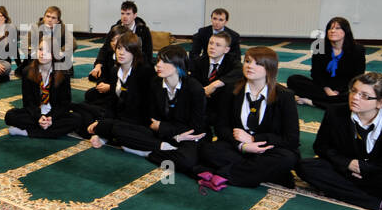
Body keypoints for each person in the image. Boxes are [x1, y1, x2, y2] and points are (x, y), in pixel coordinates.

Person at [297, 72, 382, 210]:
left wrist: (368, 168)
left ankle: (341, 189)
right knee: (305, 166)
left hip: (378, 174)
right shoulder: (335, 112)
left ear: (381, 102)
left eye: (364, 95)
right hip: (345, 169)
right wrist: (347, 163)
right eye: (354, 91)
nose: (355, 97)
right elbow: (321, 147)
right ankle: (378, 202)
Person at [93, 44, 206, 174]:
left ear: (177, 65)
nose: (158, 65)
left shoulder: (194, 88)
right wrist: (161, 128)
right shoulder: (155, 83)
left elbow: (196, 126)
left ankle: (147, 152)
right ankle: (160, 147)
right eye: (158, 61)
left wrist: (165, 129)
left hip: (186, 136)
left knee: (187, 161)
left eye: (164, 62)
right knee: (119, 129)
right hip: (159, 134)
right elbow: (152, 119)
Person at [198, 46, 300, 190]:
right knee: (207, 150)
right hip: (238, 147)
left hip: (268, 149)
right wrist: (243, 146)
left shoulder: (284, 96)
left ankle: (224, 174)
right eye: (247, 61)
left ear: (269, 68)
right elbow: (221, 127)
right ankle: (270, 173)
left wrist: (253, 139)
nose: (250, 66)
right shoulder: (231, 89)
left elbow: (292, 139)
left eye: (257, 63)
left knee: (287, 159)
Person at [76, 31, 150, 142]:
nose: (121, 53)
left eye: (127, 50)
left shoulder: (143, 72)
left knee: (114, 129)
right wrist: (103, 122)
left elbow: (142, 107)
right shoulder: (115, 70)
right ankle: (107, 134)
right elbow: (113, 102)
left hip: (136, 120)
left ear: (135, 52)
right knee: (80, 115)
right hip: (118, 116)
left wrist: (106, 124)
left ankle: (109, 135)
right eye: (119, 48)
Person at [4, 37, 78, 138]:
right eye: (40, 49)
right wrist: (38, 117)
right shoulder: (27, 71)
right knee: (10, 116)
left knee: (76, 120)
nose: (42, 53)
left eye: (48, 51)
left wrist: (51, 118)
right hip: (35, 113)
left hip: (54, 113)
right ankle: (48, 130)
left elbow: (65, 104)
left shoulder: (63, 73)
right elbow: (28, 102)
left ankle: (28, 132)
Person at [287, 16, 366, 109]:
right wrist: (328, 90)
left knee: (357, 94)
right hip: (323, 87)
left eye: (337, 28)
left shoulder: (357, 50)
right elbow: (315, 74)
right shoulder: (319, 47)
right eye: (330, 28)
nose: (332, 31)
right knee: (293, 80)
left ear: (346, 31)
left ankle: (312, 102)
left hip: (344, 88)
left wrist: (338, 91)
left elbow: (357, 76)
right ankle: (335, 103)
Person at [88, 0, 153, 81]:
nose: (125, 16)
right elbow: (105, 48)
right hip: (115, 60)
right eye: (122, 13)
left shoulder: (143, 30)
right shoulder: (115, 28)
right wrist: (98, 65)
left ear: (135, 15)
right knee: (94, 75)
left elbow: (148, 52)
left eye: (128, 14)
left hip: (135, 62)